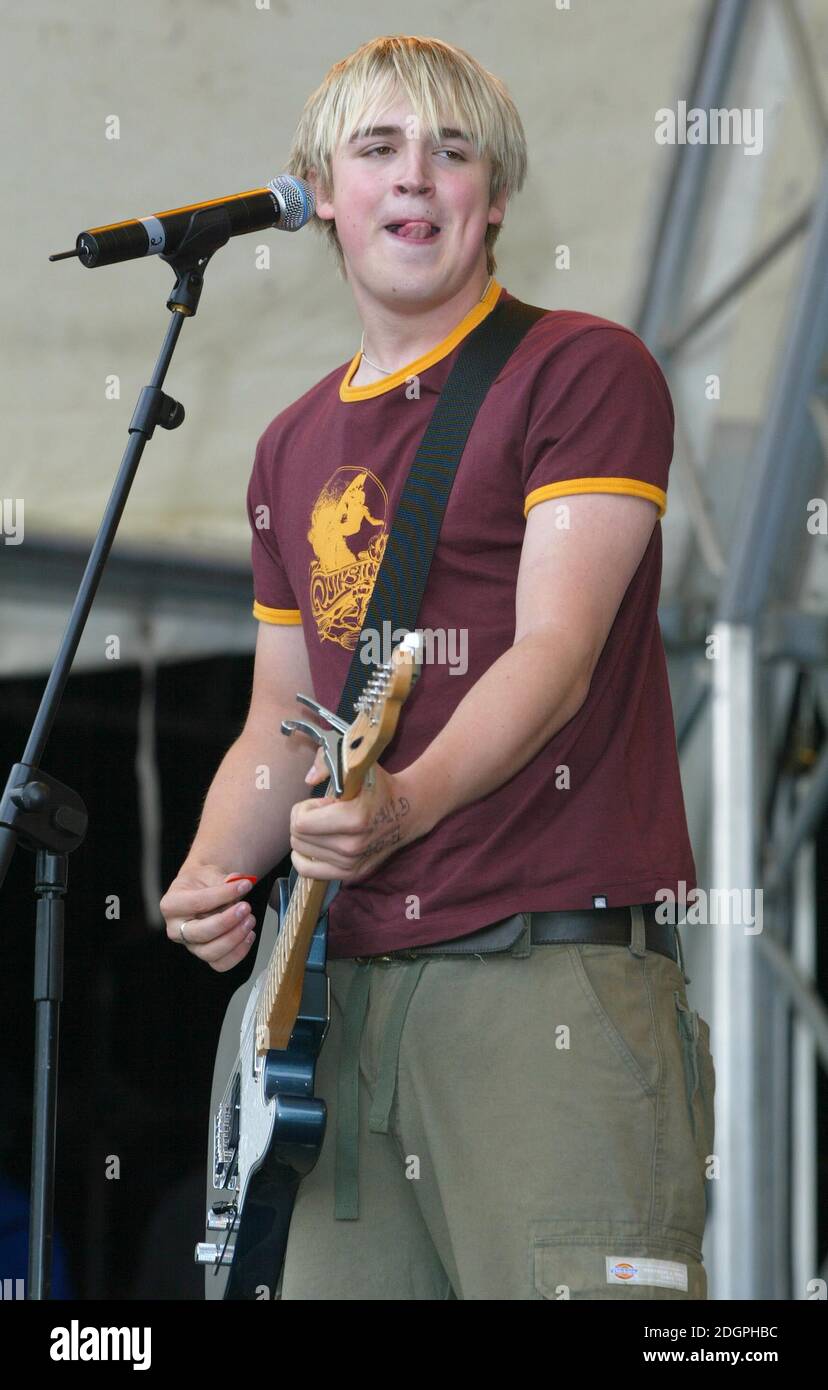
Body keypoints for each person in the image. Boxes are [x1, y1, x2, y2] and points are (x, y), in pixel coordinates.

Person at [160, 34, 715, 1301]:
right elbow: (278, 724)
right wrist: (210, 864)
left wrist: (402, 801)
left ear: (496, 198)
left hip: (540, 981)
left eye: (453, 153)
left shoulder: (580, 368)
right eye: (378, 149)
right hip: (330, 1003)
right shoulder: (289, 442)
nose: (417, 176)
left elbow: (557, 655)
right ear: (320, 191)